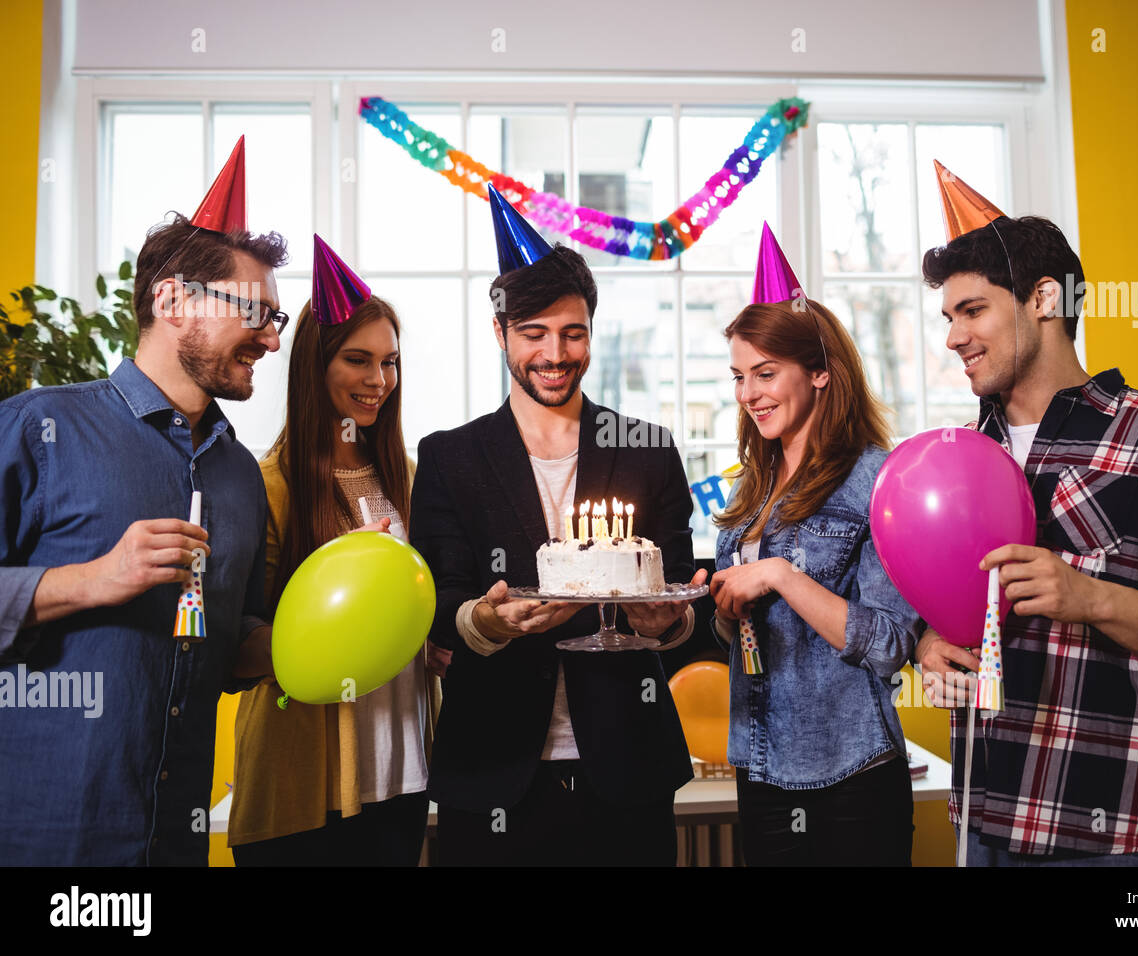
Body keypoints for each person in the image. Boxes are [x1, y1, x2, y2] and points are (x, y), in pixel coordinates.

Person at [916, 177, 1138, 866]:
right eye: (948, 319)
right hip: (986, 821)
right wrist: (932, 642)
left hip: (1119, 836)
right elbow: (953, 608)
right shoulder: (962, 459)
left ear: (1046, 300)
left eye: (972, 311)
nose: (955, 337)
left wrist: (1093, 599)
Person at [409, 186, 704, 866]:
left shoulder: (647, 448)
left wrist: (669, 624)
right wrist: (487, 622)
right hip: (493, 771)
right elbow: (440, 603)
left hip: (628, 769)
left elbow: (682, 590)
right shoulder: (450, 457)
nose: (555, 352)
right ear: (500, 334)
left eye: (573, 333)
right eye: (534, 334)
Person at [0, 170, 289, 864]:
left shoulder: (240, 475)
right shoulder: (37, 426)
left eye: (275, 321)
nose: (272, 341)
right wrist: (93, 579)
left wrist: (312, 636)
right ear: (173, 300)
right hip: (45, 836)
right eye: (256, 315)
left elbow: (235, 647)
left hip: (173, 838)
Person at [709, 225, 922, 866]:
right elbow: (739, 636)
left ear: (822, 373)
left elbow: (891, 643)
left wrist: (778, 575)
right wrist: (724, 612)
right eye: (740, 376)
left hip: (850, 774)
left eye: (766, 373)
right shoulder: (750, 489)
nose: (749, 395)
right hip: (760, 763)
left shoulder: (876, 480)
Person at [229, 236, 442, 866]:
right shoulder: (270, 484)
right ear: (315, 367)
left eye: (390, 361)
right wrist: (332, 599)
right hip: (305, 791)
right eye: (357, 359)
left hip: (401, 776)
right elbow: (235, 647)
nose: (378, 380)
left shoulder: (408, 476)